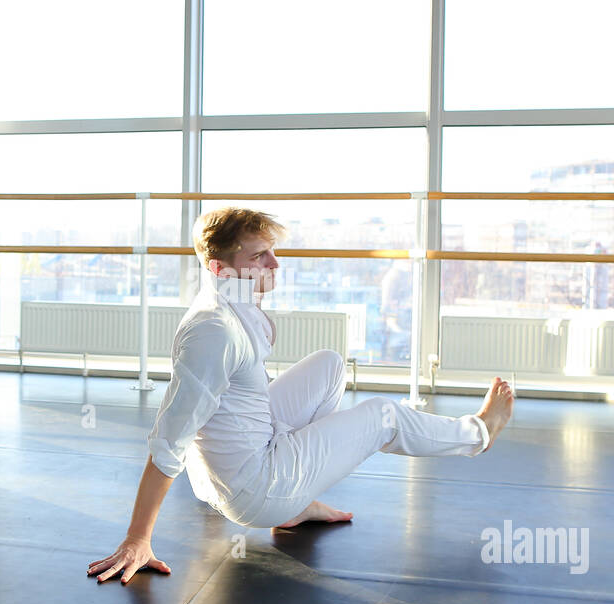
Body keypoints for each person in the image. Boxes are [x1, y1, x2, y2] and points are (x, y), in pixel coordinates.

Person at [88, 207, 515, 584]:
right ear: (219, 268)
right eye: (259, 256)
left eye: (271, 251)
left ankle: (299, 502)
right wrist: (137, 539)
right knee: (384, 416)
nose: (275, 263)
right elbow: (170, 439)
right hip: (254, 491)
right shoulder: (213, 330)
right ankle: (479, 434)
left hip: (252, 456)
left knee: (329, 364)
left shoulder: (230, 302)